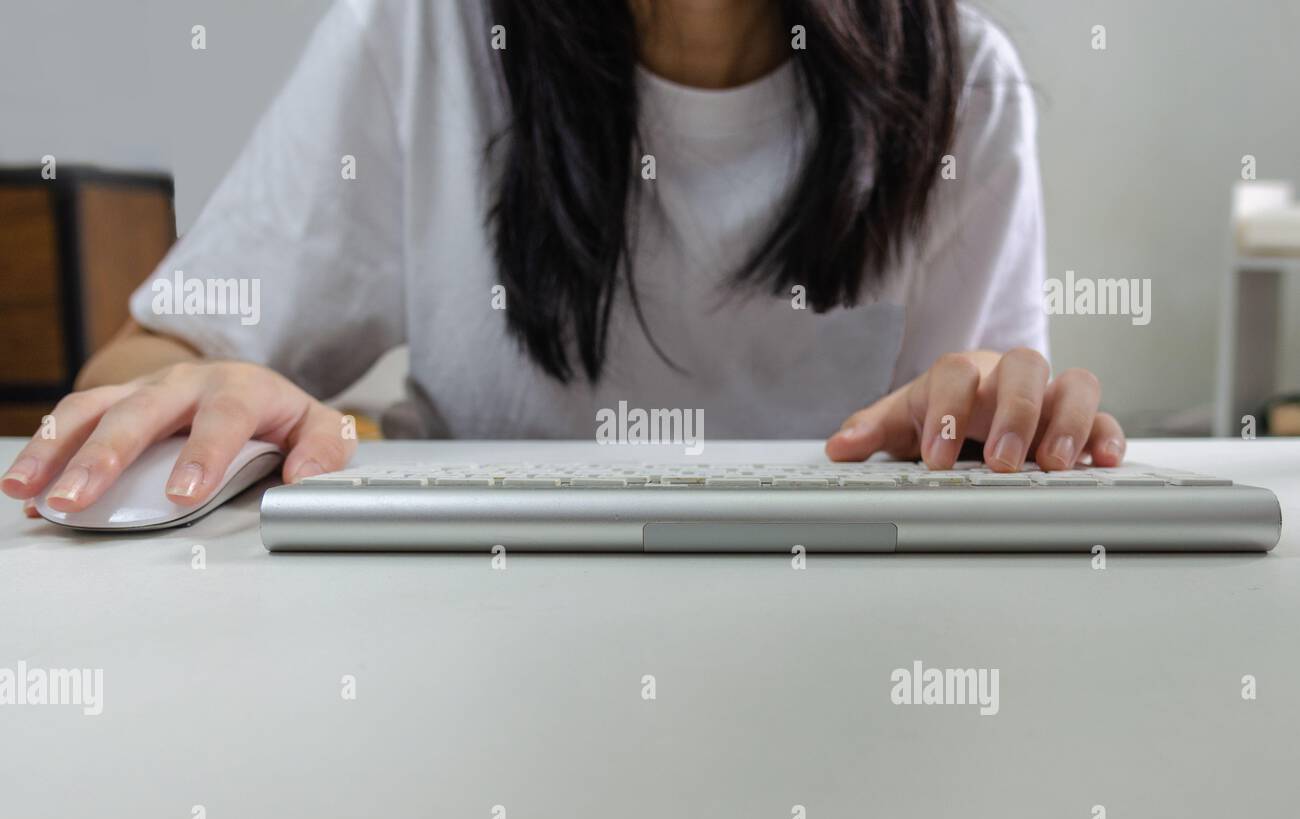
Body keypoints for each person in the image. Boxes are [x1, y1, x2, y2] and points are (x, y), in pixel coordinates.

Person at [2, 0, 1124, 515]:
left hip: (833, 661)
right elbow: (132, 373)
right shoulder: (419, 34)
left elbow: (981, 442)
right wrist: (207, 381)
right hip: (466, 656)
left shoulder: (962, 83)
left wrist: (1000, 421)